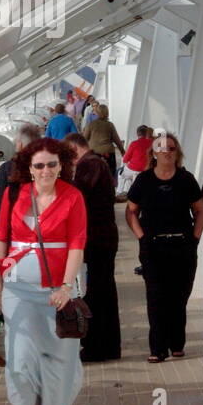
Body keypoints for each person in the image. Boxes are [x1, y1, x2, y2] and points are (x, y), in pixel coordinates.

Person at [0, 137, 87, 405]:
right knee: (19, 360)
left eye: (51, 164)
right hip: (18, 287)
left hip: (56, 291)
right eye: (39, 165)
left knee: (58, 360)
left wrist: (66, 286)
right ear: (29, 169)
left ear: (61, 166)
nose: (45, 170)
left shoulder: (73, 197)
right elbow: (1, 238)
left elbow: (76, 244)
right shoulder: (14, 194)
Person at [125, 132, 203, 363]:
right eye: (161, 148)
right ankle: (158, 348)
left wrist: (194, 238)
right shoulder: (144, 180)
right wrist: (142, 237)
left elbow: (199, 210)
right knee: (156, 298)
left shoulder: (186, 180)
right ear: (153, 153)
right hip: (153, 247)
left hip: (182, 246)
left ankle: (177, 343)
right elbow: (131, 211)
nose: (166, 152)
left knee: (179, 297)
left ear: (177, 152)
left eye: (171, 148)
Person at [65, 133, 121, 361]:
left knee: (96, 292)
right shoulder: (96, 163)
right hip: (103, 236)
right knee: (104, 291)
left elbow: (78, 196)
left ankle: (97, 346)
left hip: (97, 238)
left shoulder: (89, 164)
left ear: (73, 148)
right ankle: (108, 346)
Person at [0, 122, 42, 230]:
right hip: (41, 227)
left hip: (14, 227)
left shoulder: (7, 168)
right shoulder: (45, 168)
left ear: (20, 144)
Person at [86, 102, 125, 179]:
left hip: (94, 152)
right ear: (107, 113)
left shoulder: (91, 124)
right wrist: (122, 151)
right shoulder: (110, 125)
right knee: (110, 174)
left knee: (94, 174)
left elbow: (85, 138)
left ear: (97, 113)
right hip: (108, 153)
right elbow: (117, 140)